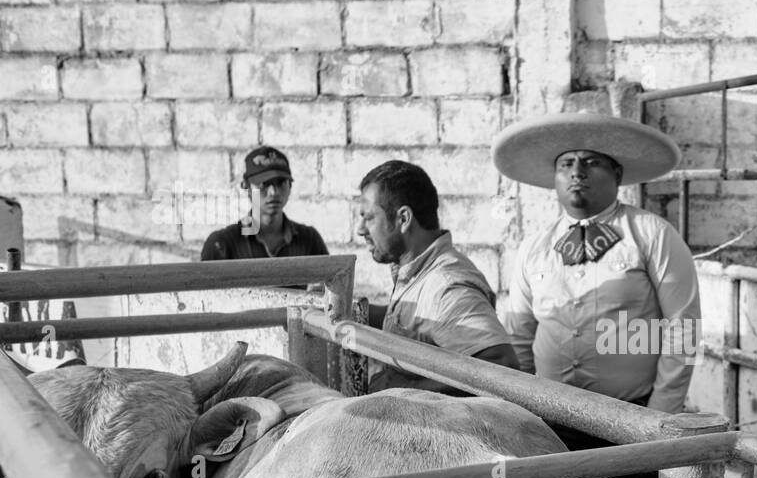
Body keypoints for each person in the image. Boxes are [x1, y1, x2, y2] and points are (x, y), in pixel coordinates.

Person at [494, 113, 701, 425]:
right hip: (550, 420)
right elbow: (520, 336)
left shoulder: (651, 234)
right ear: (555, 177)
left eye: (591, 162)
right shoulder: (533, 247)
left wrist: (658, 417)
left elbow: (684, 328)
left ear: (616, 174)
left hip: (633, 417)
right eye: (566, 164)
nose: (577, 172)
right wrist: (521, 411)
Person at [356, 160, 517, 392]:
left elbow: (502, 365)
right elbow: (415, 322)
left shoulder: (445, 286)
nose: (361, 229)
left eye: (369, 217)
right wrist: (349, 313)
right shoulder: (419, 273)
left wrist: (403, 389)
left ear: (403, 219)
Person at [200, 146, 329, 261]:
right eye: (264, 184)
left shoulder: (310, 241)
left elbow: (331, 284)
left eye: (280, 182)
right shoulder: (222, 244)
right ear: (247, 188)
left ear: (290, 186)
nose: (273, 192)